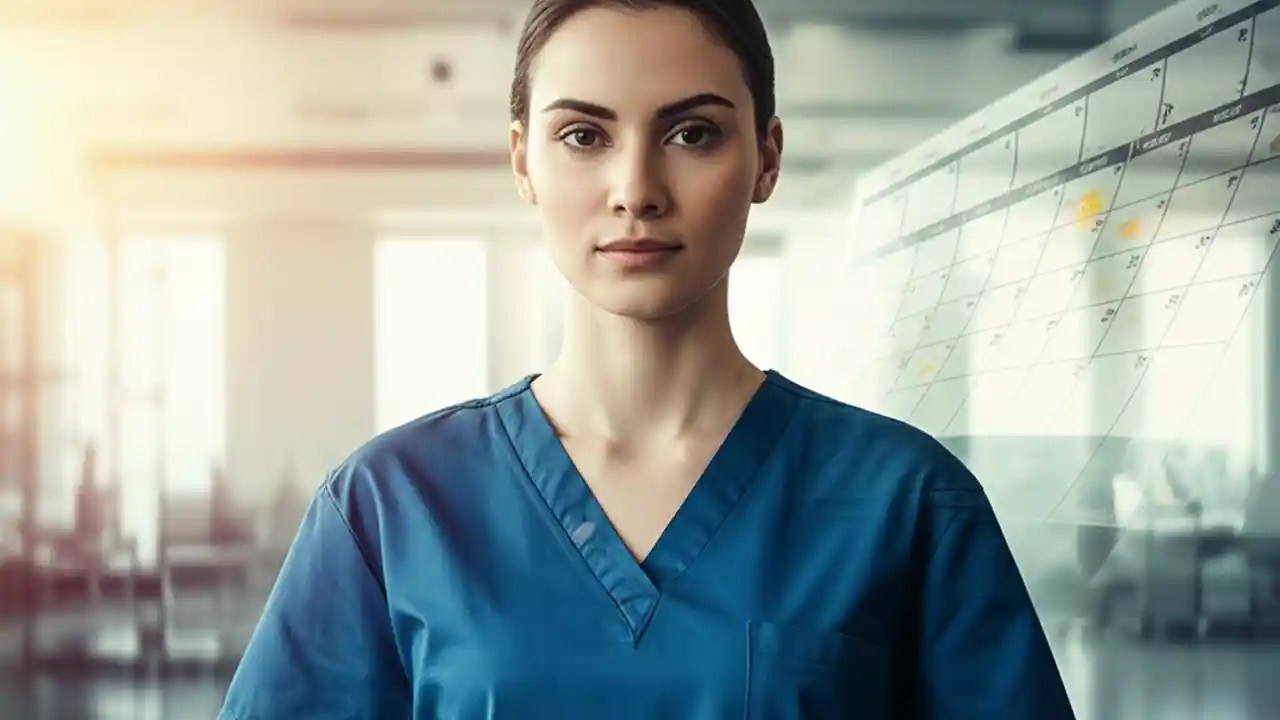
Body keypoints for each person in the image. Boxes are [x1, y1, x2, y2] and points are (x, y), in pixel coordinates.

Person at [219, 1, 1075, 718]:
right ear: (524, 162)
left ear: (765, 158)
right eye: (584, 136)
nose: (636, 188)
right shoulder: (390, 508)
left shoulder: (904, 503)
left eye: (692, 133)